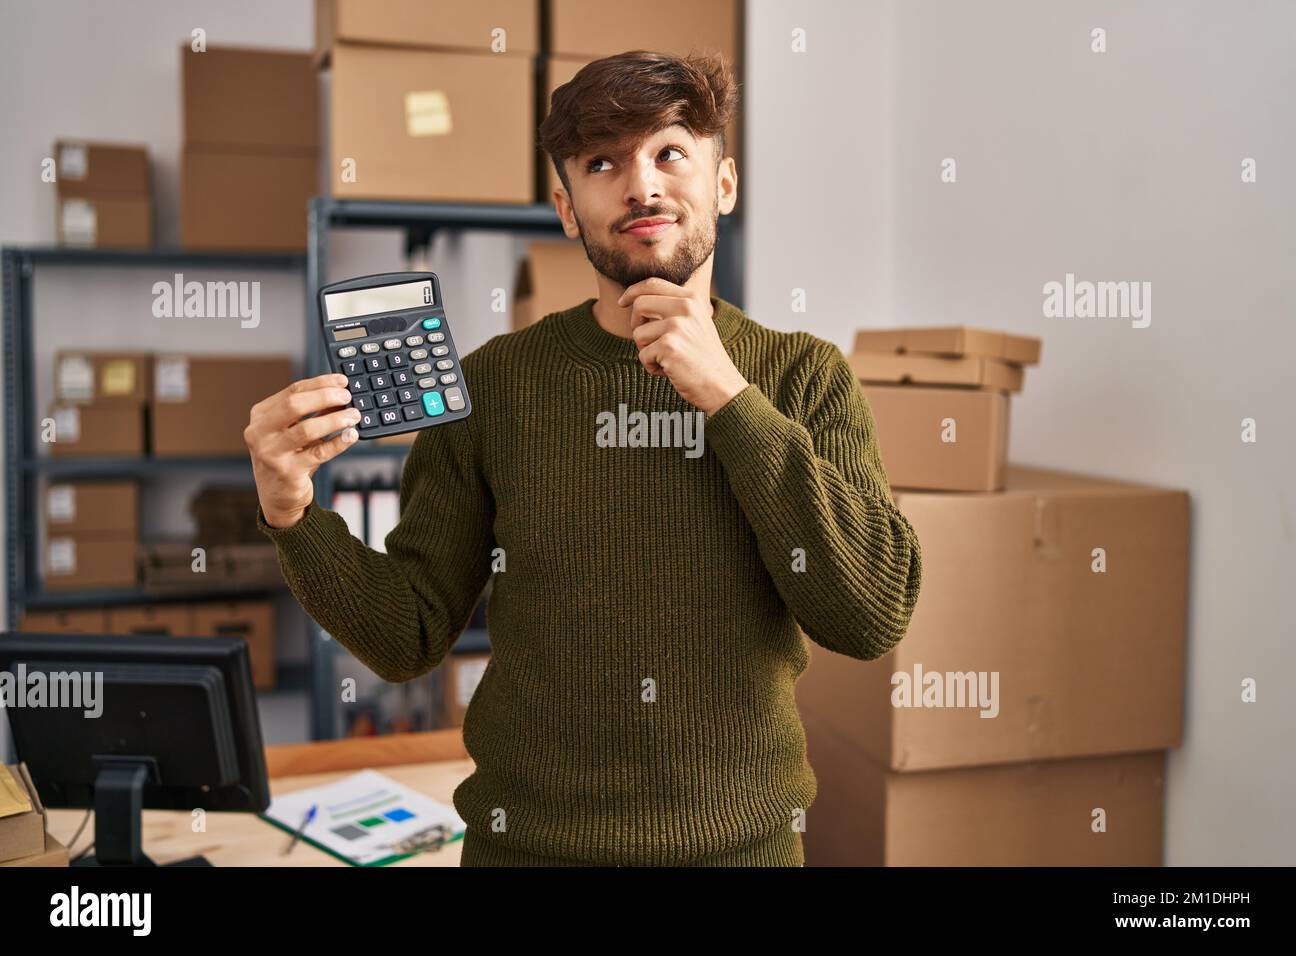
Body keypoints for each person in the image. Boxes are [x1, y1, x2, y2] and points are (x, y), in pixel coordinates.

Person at [245, 49, 923, 867]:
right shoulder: (494, 384)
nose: (641, 185)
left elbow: (872, 614)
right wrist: (291, 512)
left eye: (670, 152)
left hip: (739, 855)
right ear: (567, 209)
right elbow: (409, 633)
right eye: (603, 163)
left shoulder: (805, 376)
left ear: (725, 184)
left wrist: (729, 400)